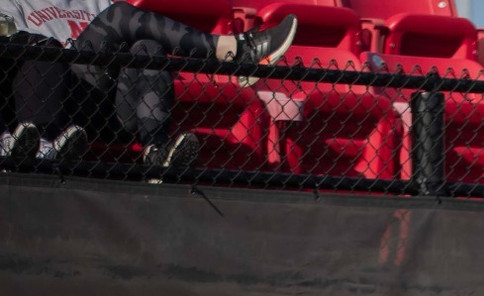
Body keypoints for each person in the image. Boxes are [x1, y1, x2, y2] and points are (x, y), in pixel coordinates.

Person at [0, 2, 297, 178]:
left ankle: (156, 153)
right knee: (51, 47)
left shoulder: (94, 3)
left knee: (147, 48)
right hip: (37, 100)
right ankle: (233, 50)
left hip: (97, 105)